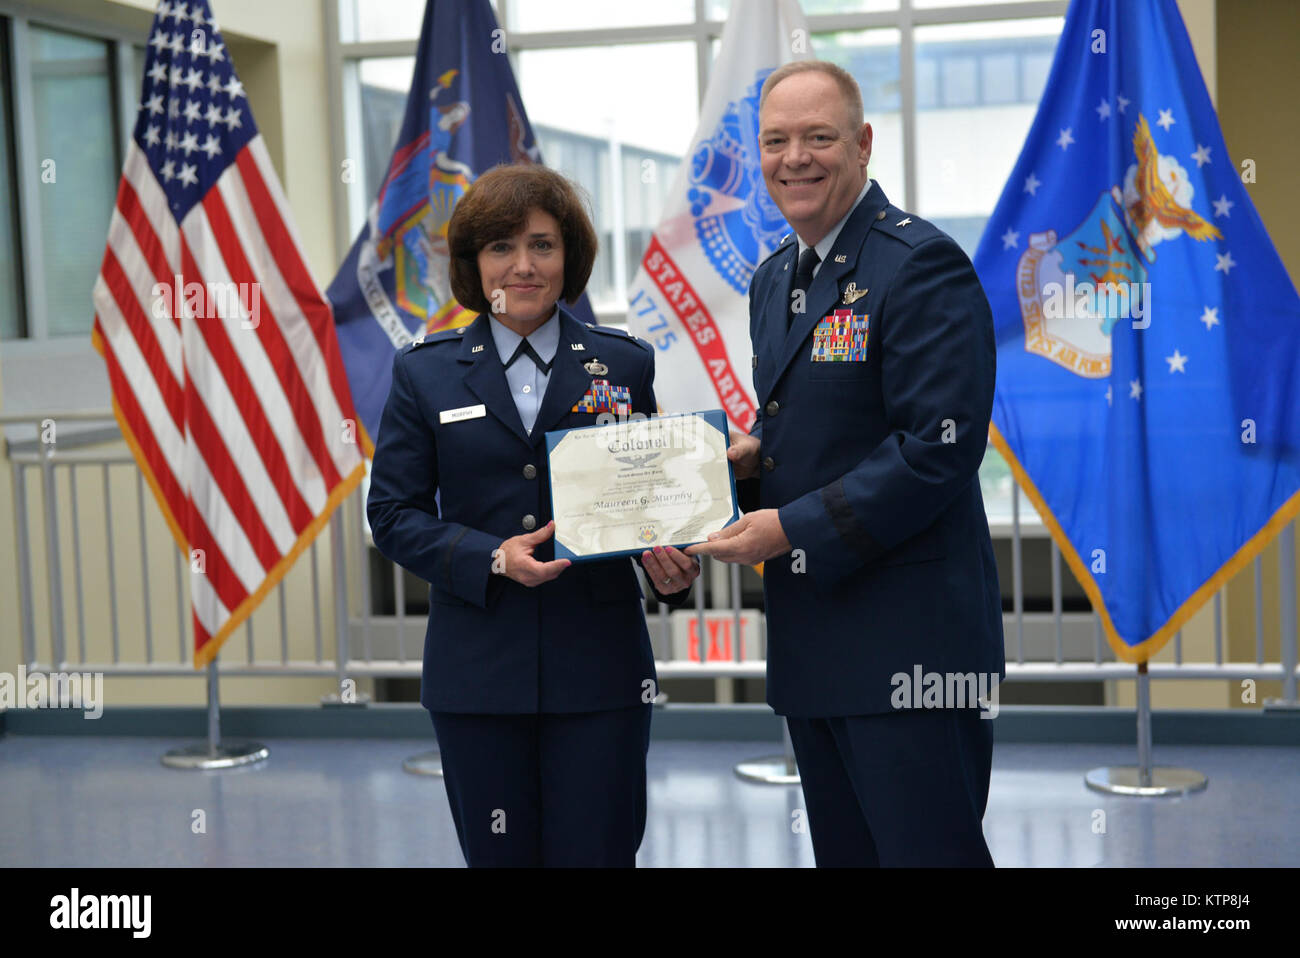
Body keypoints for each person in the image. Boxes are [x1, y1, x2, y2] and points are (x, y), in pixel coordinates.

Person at [687, 61, 1005, 867]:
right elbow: (817, 421)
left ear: (862, 144)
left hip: (910, 647)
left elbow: (938, 448)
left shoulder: (920, 264)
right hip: (817, 638)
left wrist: (787, 527)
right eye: (775, 140)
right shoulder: (773, 278)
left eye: (818, 137)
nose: (795, 157)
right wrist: (753, 459)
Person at [367, 164, 700, 867]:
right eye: (501, 248)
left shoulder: (624, 365)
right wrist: (491, 557)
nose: (523, 266)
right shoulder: (423, 372)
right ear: (472, 263)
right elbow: (392, 513)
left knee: (600, 856)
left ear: (569, 257)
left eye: (543, 246)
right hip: (477, 674)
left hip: (601, 671)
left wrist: (672, 569)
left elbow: (650, 504)